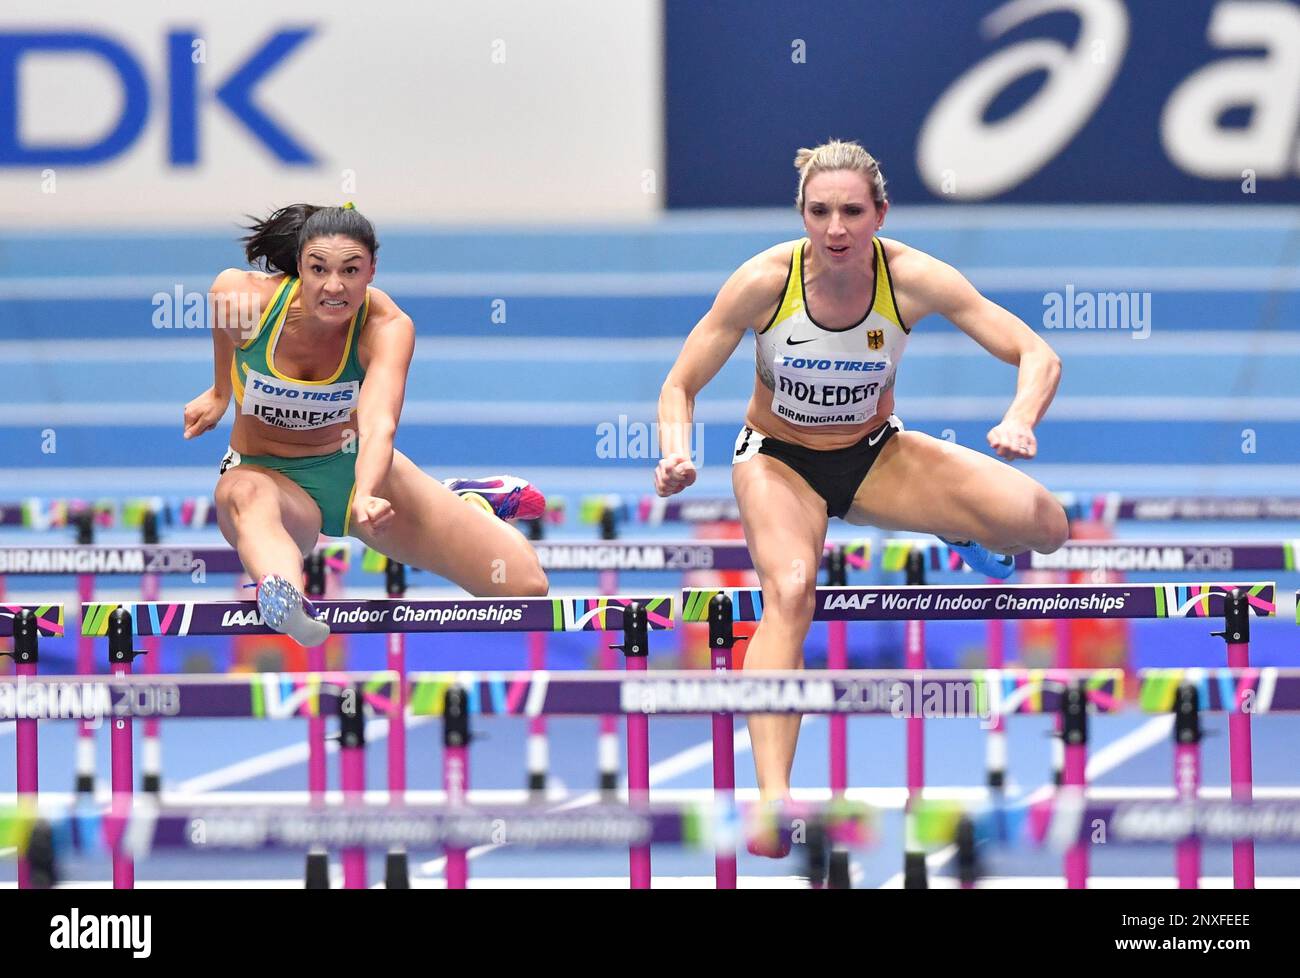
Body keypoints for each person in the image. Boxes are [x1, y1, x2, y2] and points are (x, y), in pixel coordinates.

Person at [654, 140, 1068, 849]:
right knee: (789, 588)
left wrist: (1019, 420)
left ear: (880, 213)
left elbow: (1037, 353)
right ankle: (774, 801)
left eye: (851, 211)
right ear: (802, 215)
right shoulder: (762, 281)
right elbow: (679, 384)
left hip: (876, 456)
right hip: (778, 461)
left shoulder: (912, 278)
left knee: (1044, 522)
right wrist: (674, 453)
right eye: (820, 212)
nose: (836, 228)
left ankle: (960, 528)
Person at [183, 203, 548, 645]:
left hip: (357, 470)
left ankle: (468, 503)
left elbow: (379, 425)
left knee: (524, 587)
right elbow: (227, 335)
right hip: (267, 476)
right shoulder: (241, 299)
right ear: (299, 266)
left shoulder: (387, 327)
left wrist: (369, 494)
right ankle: (286, 600)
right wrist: (221, 392)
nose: (334, 287)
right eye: (319, 269)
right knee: (243, 493)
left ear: (372, 270)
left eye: (351, 271)